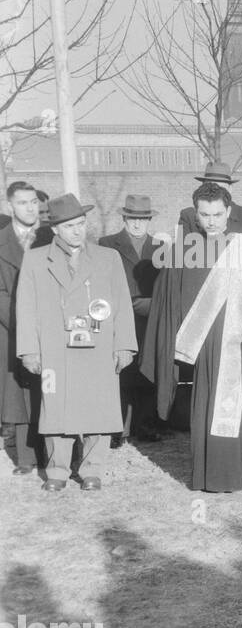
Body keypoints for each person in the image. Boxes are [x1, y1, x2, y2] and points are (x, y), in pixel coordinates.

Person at [152, 183, 242, 492]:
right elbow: (170, 304)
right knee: (210, 411)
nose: (211, 221)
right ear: (195, 214)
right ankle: (212, 476)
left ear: (229, 213)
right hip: (207, 348)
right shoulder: (184, 251)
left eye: (217, 214)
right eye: (204, 214)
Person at [15, 194, 136, 492]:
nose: (78, 231)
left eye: (81, 224)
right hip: (55, 348)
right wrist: (29, 349)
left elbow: (122, 304)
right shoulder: (34, 259)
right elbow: (25, 307)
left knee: (99, 406)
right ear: (55, 229)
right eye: (69, 226)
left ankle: (93, 470)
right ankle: (57, 470)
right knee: (55, 406)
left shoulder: (108, 258)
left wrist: (124, 345)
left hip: (98, 346)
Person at [99, 195, 164, 446]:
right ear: (125, 219)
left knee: (148, 370)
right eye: (133, 219)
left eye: (143, 219)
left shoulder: (160, 247)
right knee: (121, 371)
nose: (138, 224)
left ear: (149, 220)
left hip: (151, 316)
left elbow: (166, 283)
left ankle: (146, 425)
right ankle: (117, 428)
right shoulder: (107, 244)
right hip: (119, 315)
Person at [1, 181, 53, 475]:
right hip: (11, 328)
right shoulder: (1, 241)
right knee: (18, 393)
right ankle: (25, 457)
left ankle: (55, 452)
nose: (30, 208)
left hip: (50, 326)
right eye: (22, 203)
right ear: (11, 206)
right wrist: (25, 325)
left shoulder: (50, 236)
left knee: (50, 389)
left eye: (33, 201)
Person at [177, 162, 242, 238]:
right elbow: (183, 251)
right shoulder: (188, 216)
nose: (215, 191)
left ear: (230, 189)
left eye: (221, 188)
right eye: (210, 186)